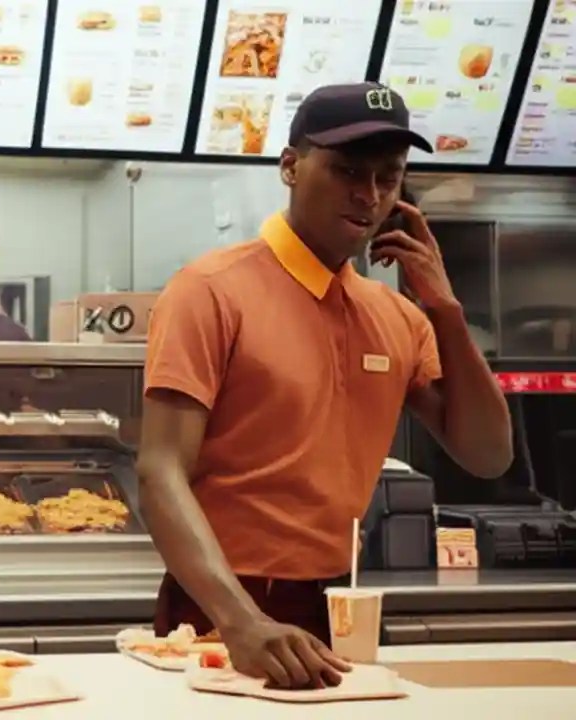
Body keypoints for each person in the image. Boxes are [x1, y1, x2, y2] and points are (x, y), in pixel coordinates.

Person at [136, 83, 512, 690]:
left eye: (388, 178)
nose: (369, 196)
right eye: (346, 171)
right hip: (221, 608)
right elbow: (158, 473)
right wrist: (242, 621)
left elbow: (489, 454)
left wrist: (444, 308)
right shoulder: (209, 290)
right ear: (290, 166)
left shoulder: (400, 317)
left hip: (343, 606)